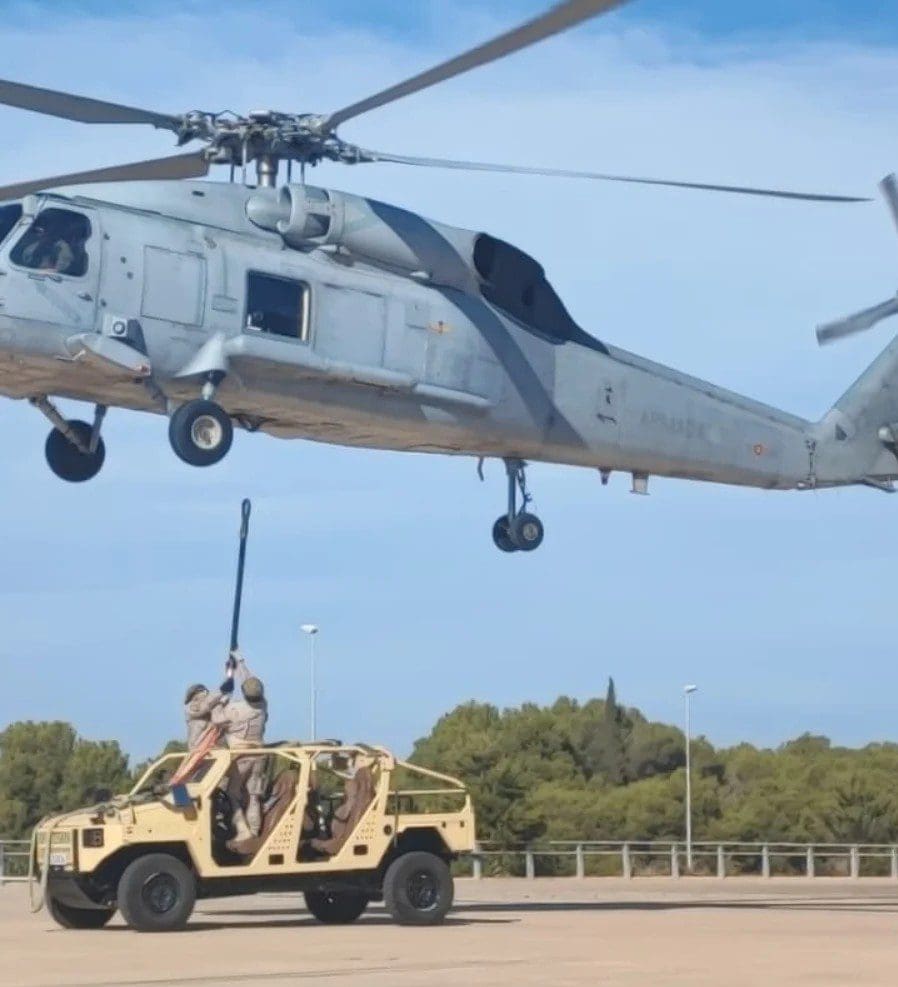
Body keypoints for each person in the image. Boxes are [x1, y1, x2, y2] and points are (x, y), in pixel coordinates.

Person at [212, 651, 269, 840]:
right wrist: (240, 661)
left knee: (232, 793)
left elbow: (216, 719)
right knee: (253, 795)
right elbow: (250, 681)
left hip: (240, 756)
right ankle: (254, 830)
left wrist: (221, 701)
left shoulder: (235, 709)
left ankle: (243, 830)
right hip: (259, 755)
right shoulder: (262, 706)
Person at [183, 683, 228, 751]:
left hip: (215, 748)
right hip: (198, 748)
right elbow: (204, 708)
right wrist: (219, 700)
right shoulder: (192, 707)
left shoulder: (212, 712)